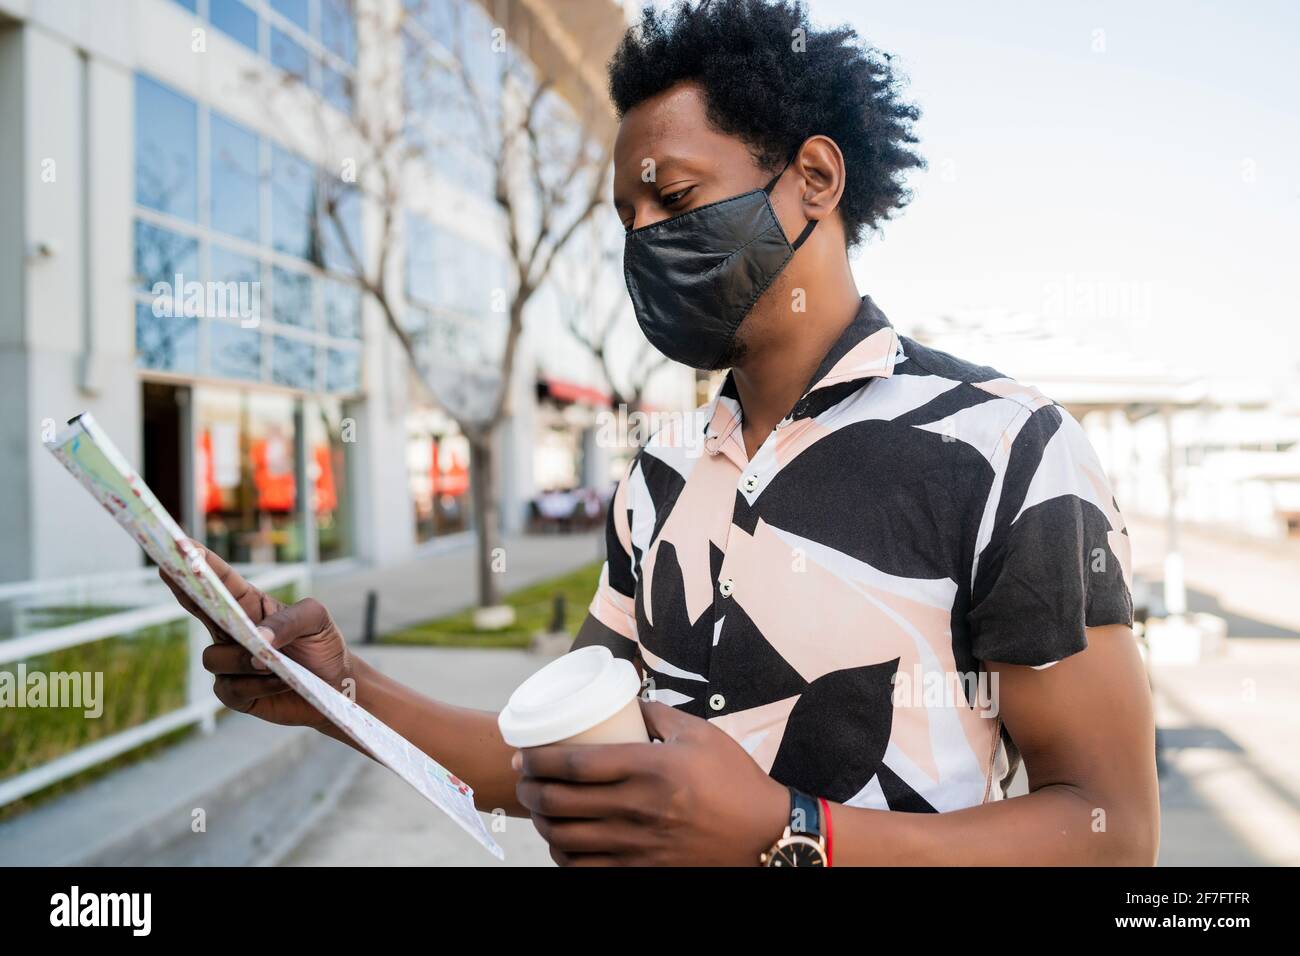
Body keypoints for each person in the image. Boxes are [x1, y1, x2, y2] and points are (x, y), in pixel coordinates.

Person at [166, 0, 1158, 866]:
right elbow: (559, 760)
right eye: (626, 215)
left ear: (814, 177)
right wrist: (336, 688)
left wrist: (790, 830)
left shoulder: (1005, 447)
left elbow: (1111, 830)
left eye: (674, 198)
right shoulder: (658, 471)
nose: (643, 238)